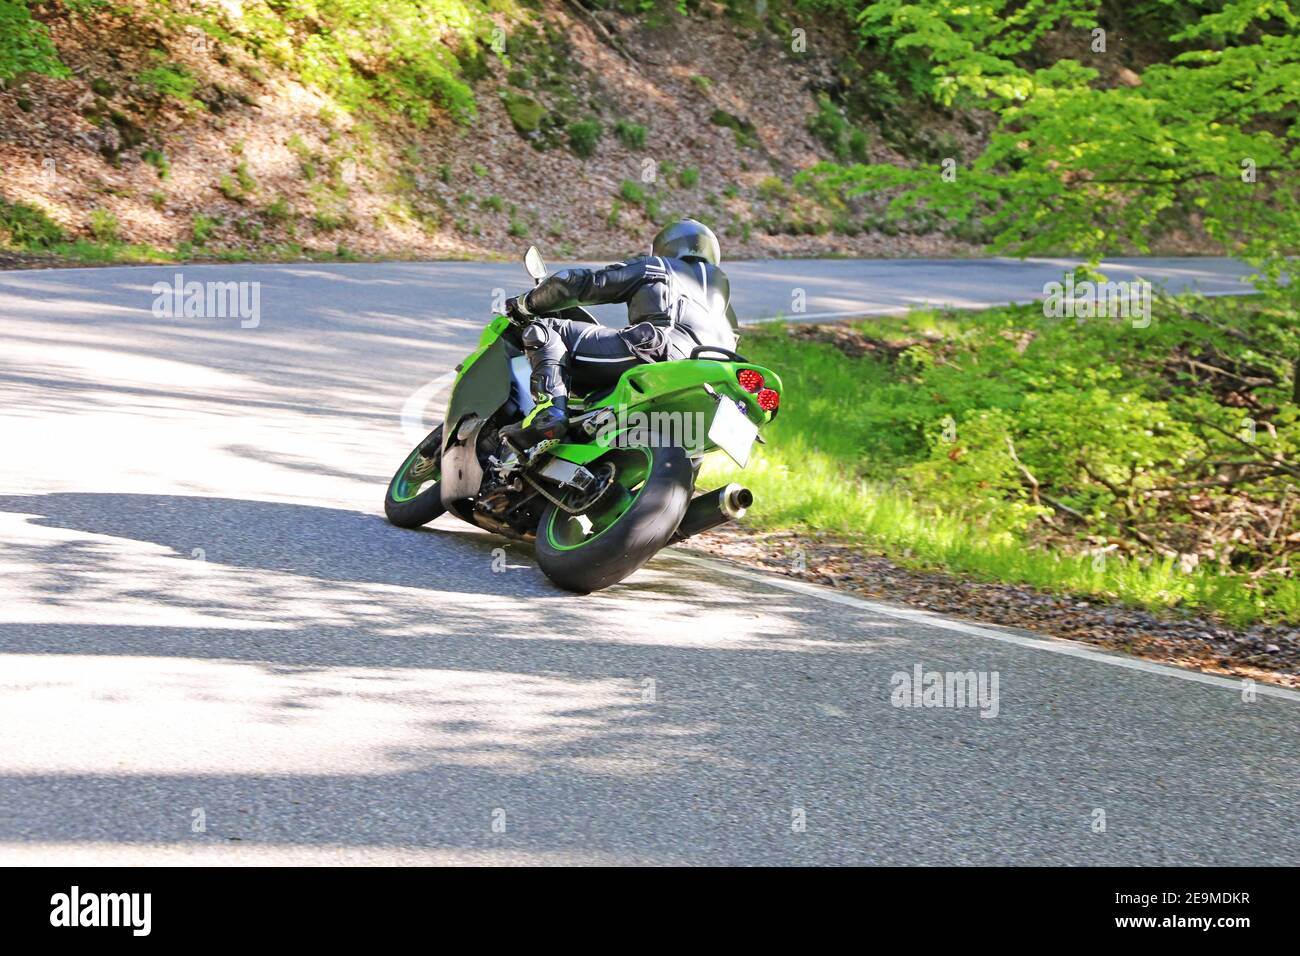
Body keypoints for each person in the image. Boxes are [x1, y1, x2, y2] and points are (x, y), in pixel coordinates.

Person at [499, 219, 739, 450]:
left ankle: (549, 413)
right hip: (711, 380)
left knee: (548, 329)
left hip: (657, 353)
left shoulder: (660, 266)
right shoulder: (726, 311)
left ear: (665, 247)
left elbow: (576, 283)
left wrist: (526, 303)